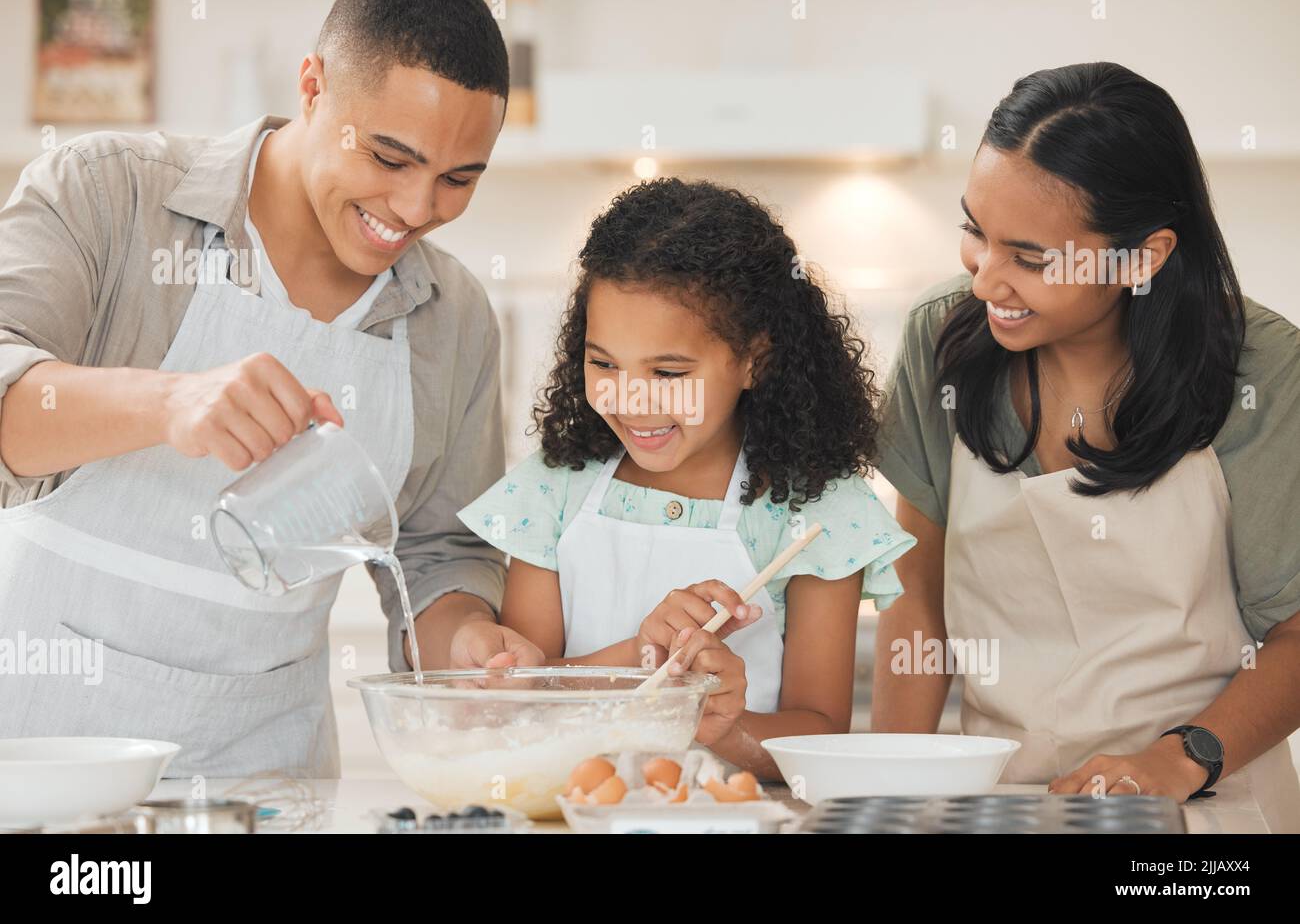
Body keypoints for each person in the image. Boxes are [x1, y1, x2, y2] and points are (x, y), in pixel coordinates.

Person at [0, 0, 539, 777]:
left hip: (267, 775)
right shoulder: (109, 193)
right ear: (313, 86)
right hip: (43, 755)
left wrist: (466, 640)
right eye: (391, 156)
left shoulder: (452, 315)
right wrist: (169, 402)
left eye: (459, 178)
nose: (418, 208)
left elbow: (435, 556)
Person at [873, 61, 1300, 830]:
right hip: (1002, 806)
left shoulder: (1261, 369)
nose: (983, 281)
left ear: (1143, 256)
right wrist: (891, 801)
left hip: (1205, 805)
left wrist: (1177, 759)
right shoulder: (939, 340)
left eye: (1030, 259)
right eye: (975, 231)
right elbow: (919, 606)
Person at [458, 178, 915, 776]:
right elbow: (521, 701)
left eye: (669, 372)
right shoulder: (554, 489)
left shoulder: (815, 512)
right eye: (603, 363)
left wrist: (725, 727)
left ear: (756, 359)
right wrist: (643, 657)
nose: (632, 399)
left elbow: (820, 731)